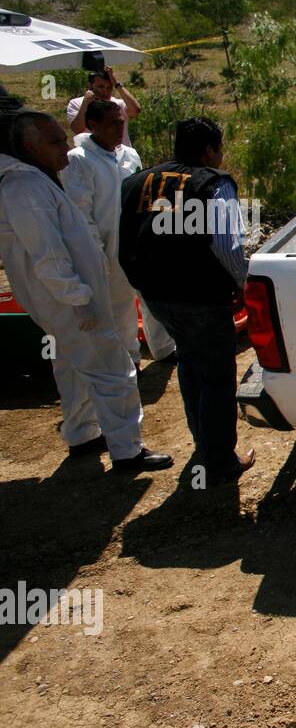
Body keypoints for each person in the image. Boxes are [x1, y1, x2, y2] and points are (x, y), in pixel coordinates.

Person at [0, 110, 171, 472]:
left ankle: (82, 432)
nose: (66, 145)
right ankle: (128, 450)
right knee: (113, 369)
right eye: (54, 141)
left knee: (73, 367)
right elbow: (48, 255)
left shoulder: (33, 181)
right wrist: (79, 300)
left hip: (65, 300)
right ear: (30, 146)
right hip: (68, 302)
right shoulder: (24, 188)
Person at [119, 117, 254, 483]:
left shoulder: (137, 181)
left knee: (192, 366)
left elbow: (125, 241)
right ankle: (219, 459)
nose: (222, 156)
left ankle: (203, 442)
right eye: (220, 149)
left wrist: (142, 285)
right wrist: (245, 285)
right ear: (209, 150)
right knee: (216, 377)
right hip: (201, 299)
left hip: (157, 299)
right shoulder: (214, 183)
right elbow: (228, 247)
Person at [60, 98, 175, 369]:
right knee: (120, 307)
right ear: (92, 125)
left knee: (152, 297)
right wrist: (95, 251)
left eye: (121, 123)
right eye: (112, 124)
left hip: (138, 241)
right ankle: (129, 359)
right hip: (107, 247)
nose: (118, 129)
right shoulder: (79, 160)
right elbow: (80, 211)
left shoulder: (129, 155)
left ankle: (163, 348)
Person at [67, 67, 141, 148]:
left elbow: (135, 110)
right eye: (100, 87)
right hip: (91, 156)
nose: (105, 92)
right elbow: (77, 129)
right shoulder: (77, 103)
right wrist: (85, 103)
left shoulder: (117, 104)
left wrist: (117, 84)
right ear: (90, 86)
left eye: (109, 87)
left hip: (121, 157)